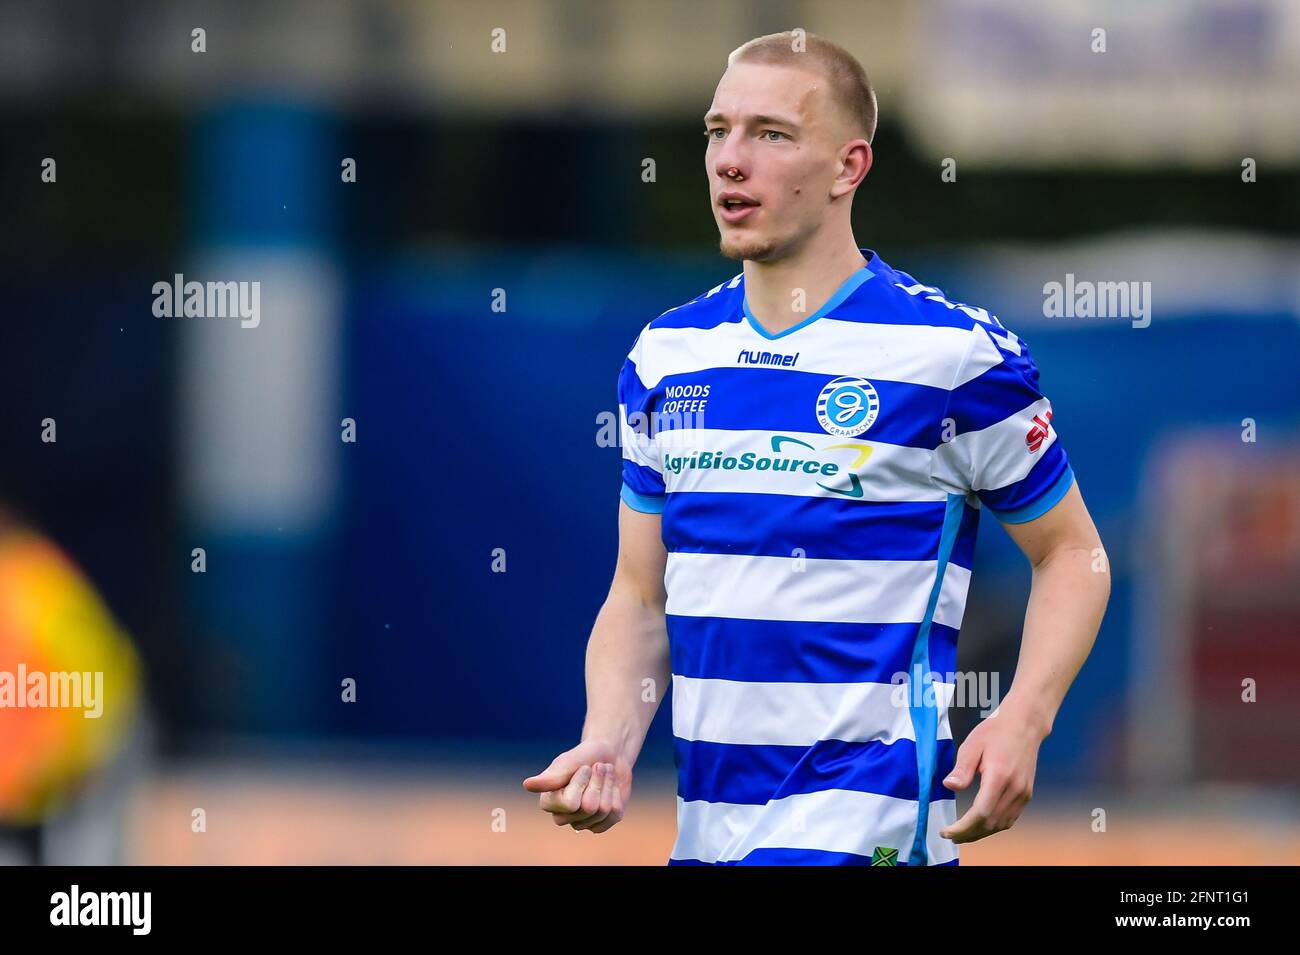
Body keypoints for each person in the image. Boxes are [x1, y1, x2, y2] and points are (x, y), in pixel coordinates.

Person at [523, 30, 1110, 865]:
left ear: (848, 167)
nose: (730, 160)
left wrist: (1025, 713)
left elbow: (1074, 555)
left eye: (770, 134)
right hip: (710, 839)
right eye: (716, 131)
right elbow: (638, 596)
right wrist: (609, 740)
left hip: (864, 838)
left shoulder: (951, 355)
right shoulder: (667, 355)